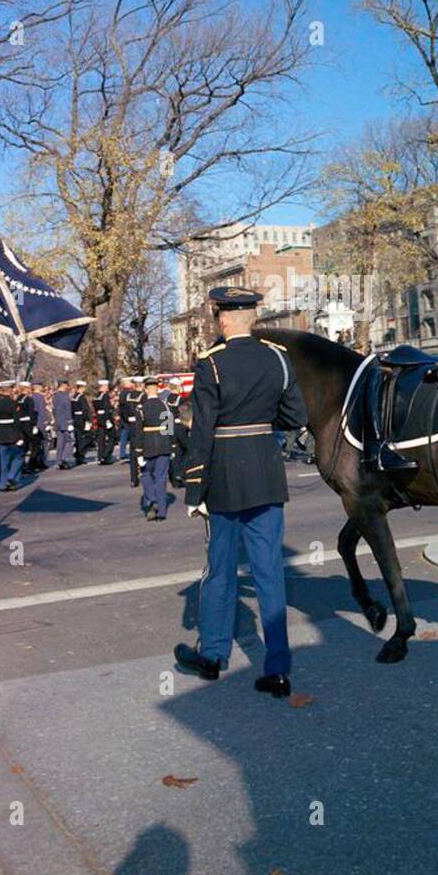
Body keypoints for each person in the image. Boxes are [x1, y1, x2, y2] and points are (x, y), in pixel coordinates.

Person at [174, 286, 308, 698]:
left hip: (225, 478)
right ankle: (279, 668)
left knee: (220, 570)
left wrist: (194, 489)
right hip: (266, 475)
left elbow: (202, 432)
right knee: (269, 573)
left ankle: (213, 656)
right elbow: (296, 415)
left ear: (224, 319)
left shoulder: (211, 363)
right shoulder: (278, 358)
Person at [137, 375, 174, 520]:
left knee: (146, 474)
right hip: (164, 444)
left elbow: (138, 432)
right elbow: (169, 428)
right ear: (157, 389)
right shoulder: (165, 405)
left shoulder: (141, 408)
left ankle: (152, 498)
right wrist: (172, 445)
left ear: (146, 390)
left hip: (147, 445)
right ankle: (162, 510)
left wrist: (138, 451)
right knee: (161, 477)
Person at [0, 380, 24, 491]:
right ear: (9, 390)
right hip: (12, 434)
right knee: (18, 458)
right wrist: (19, 436)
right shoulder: (13, 403)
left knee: (4, 461)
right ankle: (11, 478)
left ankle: (2, 483)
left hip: (1, 434)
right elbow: (16, 421)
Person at [52, 379, 75, 468]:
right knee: (69, 441)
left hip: (58, 422)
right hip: (65, 422)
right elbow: (67, 409)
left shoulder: (55, 396)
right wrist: (69, 422)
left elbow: (54, 410)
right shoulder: (65, 396)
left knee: (60, 442)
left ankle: (58, 460)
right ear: (63, 385)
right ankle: (63, 459)